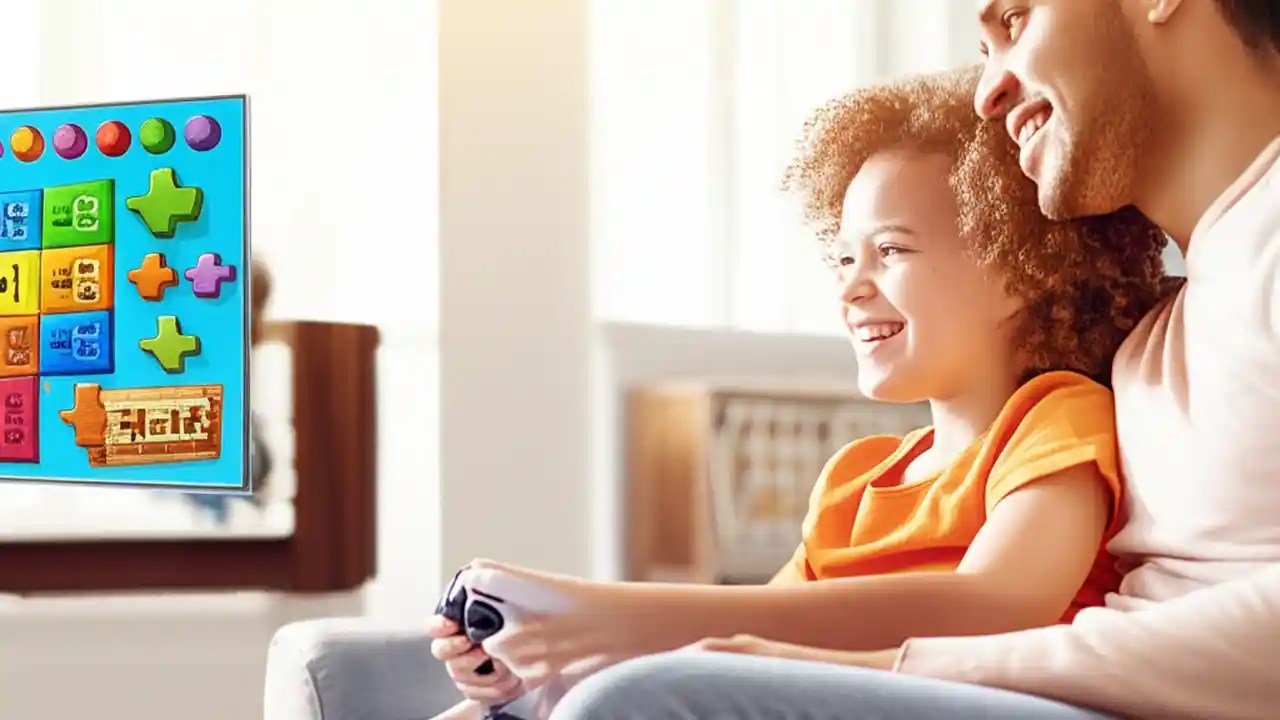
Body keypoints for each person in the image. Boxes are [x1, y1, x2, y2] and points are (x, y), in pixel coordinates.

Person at [546, 1, 1280, 719]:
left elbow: (1003, 601)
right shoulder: (1156, 333)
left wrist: (874, 667)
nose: (988, 94)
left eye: (1017, 19)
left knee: (639, 702)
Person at [428, 66, 1169, 720]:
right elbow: (764, 629)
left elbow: (1000, 604)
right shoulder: (853, 483)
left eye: (891, 251)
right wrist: (528, 679)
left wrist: (618, 616)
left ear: (1022, 269)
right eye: (844, 255)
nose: (851, 286)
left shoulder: (1056, 419)